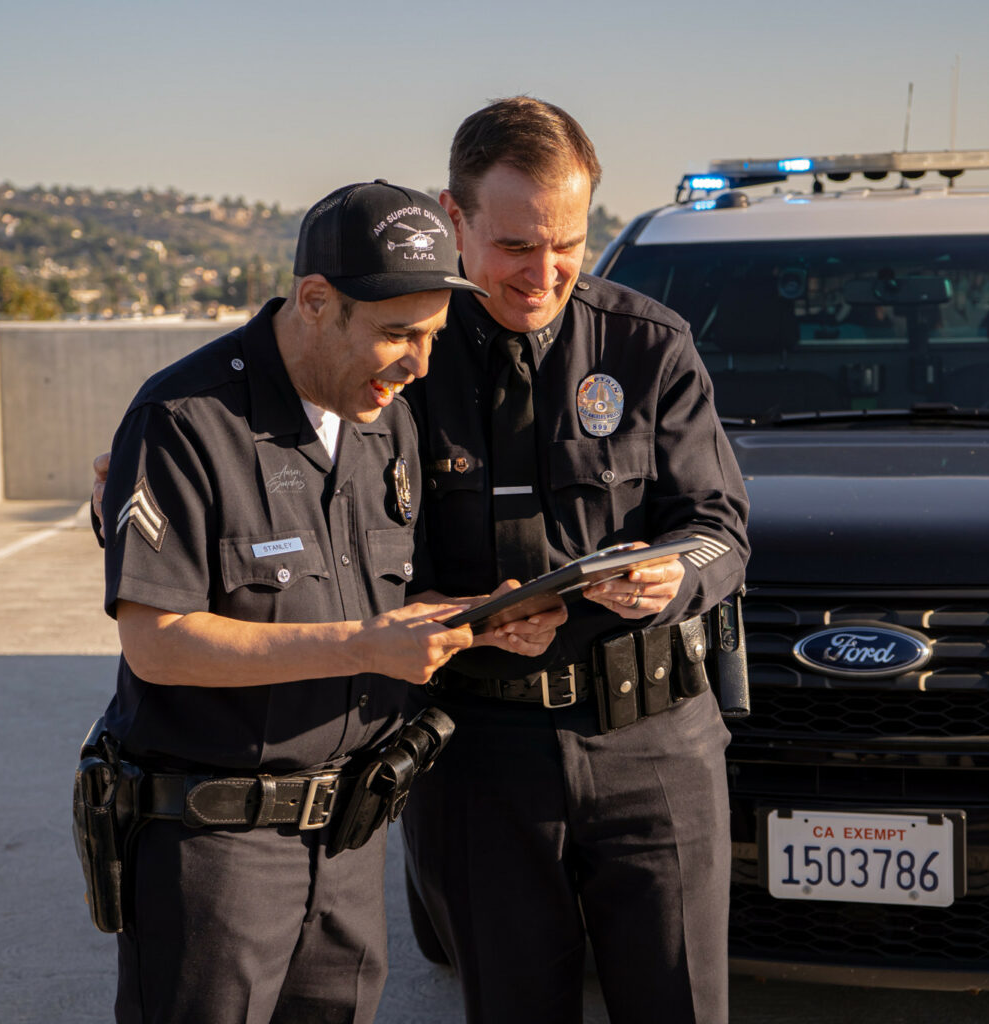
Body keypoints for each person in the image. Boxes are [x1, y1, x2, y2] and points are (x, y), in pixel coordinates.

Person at [92, 179, 562, 1024]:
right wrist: (363, 647)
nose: (419, 365)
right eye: (397, 336)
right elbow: (155, 643)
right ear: (315, 301)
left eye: (431, 337)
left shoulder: (386, 421)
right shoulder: (186, 420)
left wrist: (478, 620)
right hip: (219, 852)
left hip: (351, 839)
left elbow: (378, 594)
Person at [400, 97, 749, 1024]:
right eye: (517, 245)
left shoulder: (648, 344)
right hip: (482, 758)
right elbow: (353, 548)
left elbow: (719, 525)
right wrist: (452, 611)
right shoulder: (403, 360)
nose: (543, 273)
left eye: (567, 242)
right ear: (454, 218)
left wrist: (677, 577)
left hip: (656, 750)